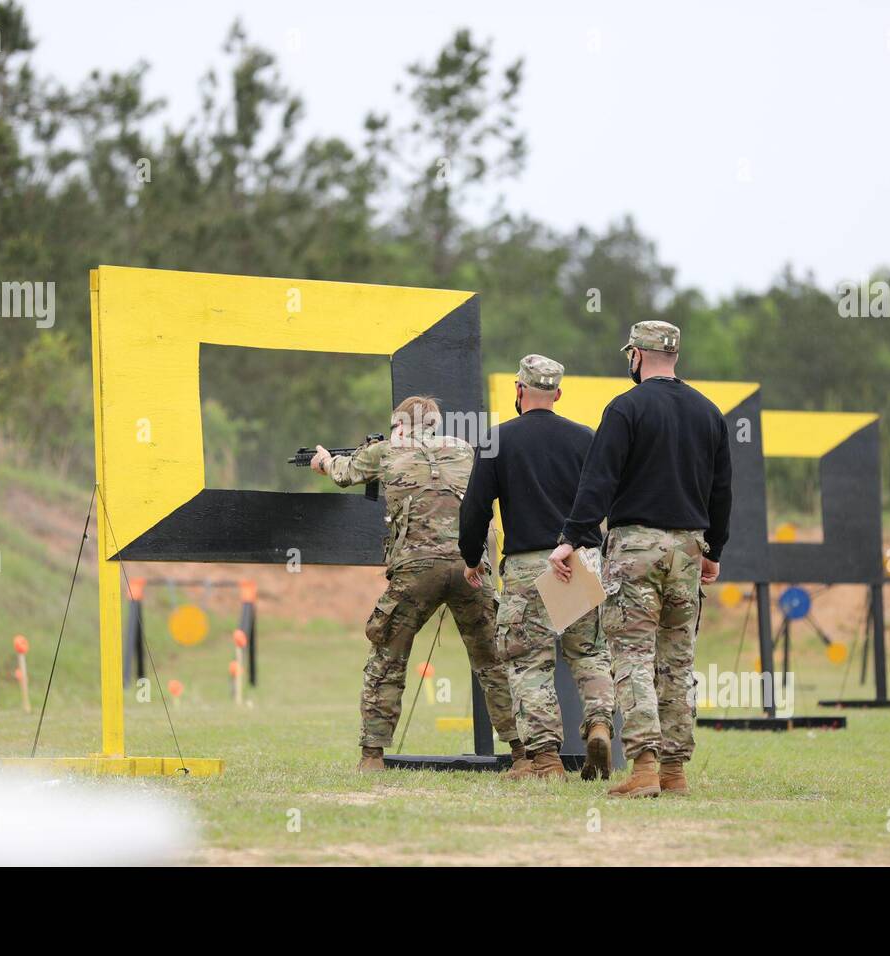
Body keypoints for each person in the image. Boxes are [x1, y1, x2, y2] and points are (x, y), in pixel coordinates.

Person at [549, 321, 731, 798]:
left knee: (632, 656)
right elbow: (721, 490)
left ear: (637, 356)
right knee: (677, 660)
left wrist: (572, 537)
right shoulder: (709, 413)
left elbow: (599, 481)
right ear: (673, 356)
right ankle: (675, 772)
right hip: (689, 549)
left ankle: (646, 766)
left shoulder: (625, 408)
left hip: (635, 547)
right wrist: (714, 549)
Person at [310, 395, 520, 772]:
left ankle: (372, 755)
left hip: (415, 569)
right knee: (493, 661)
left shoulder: (386, 450)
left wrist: (324, 460)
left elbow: (343, 474)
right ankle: (523, 754)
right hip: (470, 566)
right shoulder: (465, 449)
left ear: (402, 426)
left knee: (387, 659)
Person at [459, 355, 614, 782]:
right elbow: (606, 499)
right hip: (581, 558)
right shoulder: (586, 439)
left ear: (518, 390)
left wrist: (472, 558)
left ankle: (545, 762)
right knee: (590, 653)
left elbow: (474, 509)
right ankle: (599, 724)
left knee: (529, 663)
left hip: (529, 566)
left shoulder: (497, 440)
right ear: (558, 394)